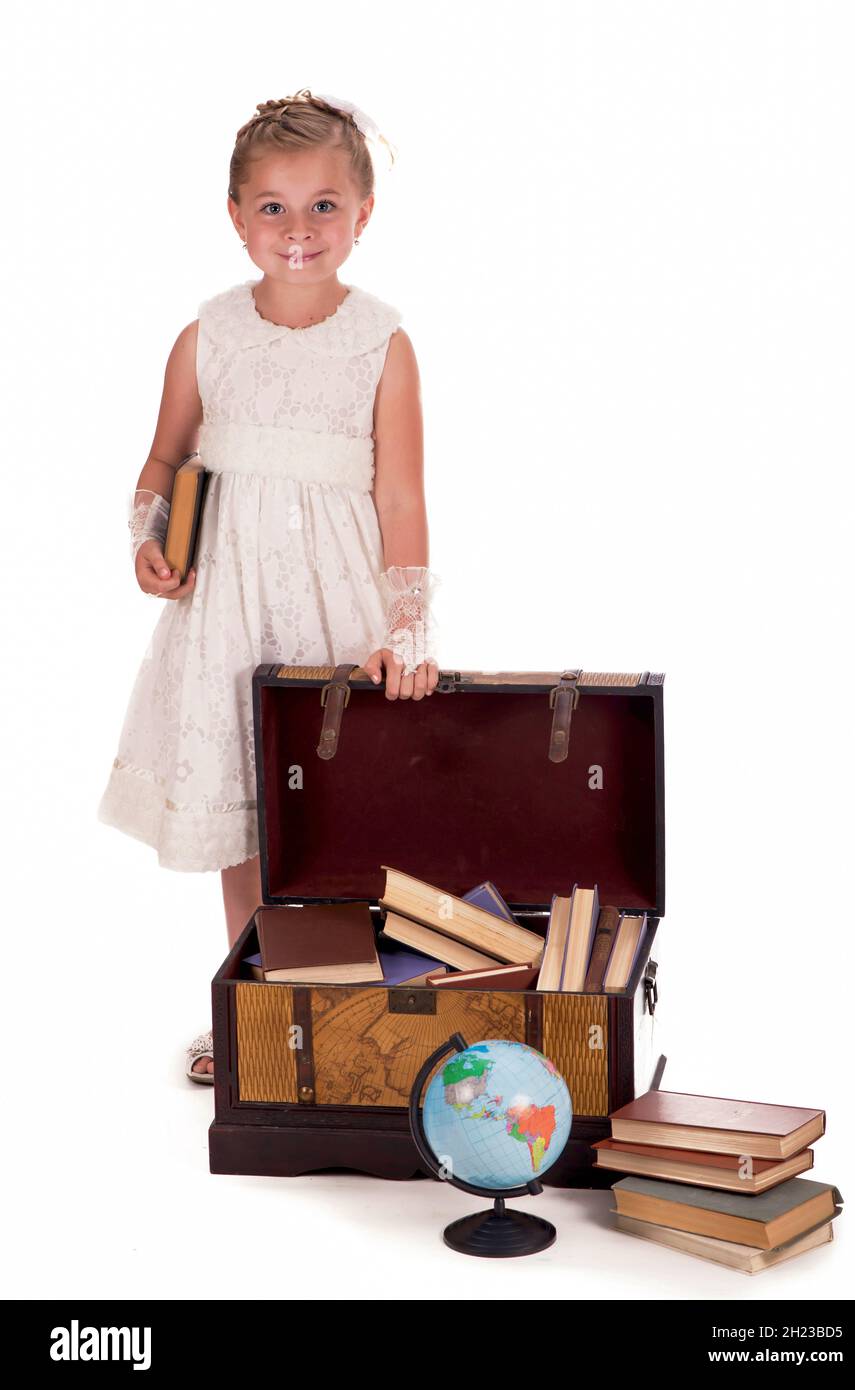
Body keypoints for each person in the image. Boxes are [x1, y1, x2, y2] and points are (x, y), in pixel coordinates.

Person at [97, 89, 440, 1083]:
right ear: (237, 217)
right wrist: (146, 537)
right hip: (228, 611)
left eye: (324, 205)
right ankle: (257, 1002)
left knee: (329, 809)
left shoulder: (383, 344)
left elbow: (402, 495)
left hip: (334, 608)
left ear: (363, 214)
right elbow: (162, 463)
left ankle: (336, 1009)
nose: (299, 229)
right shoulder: (206, 335)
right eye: (274, 207)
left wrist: (406, 627)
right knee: (246, 810)